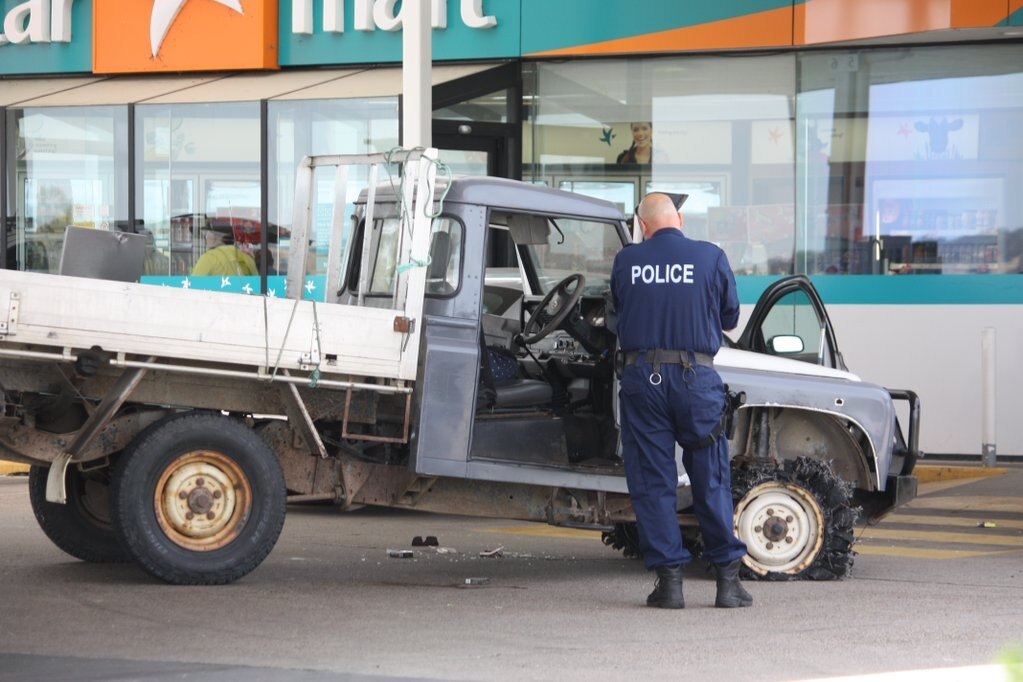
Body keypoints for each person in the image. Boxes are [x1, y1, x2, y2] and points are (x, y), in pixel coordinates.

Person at [610, 192, 751, 609]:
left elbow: (618, 312)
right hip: (696, 381)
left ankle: (669, 584)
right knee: (710, 477)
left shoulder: (626, 261)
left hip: (643, 380)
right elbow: (729, 317)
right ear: (680, 220)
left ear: (644, 226)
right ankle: (727, 583)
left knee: (653, 482)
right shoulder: (710, 257)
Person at [191, 224, 258, 277]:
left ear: (214, 238)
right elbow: (257, 283)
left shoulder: (209, 257)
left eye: (207, 234)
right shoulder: (247, 257)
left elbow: (193, 285)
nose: (205, 237)